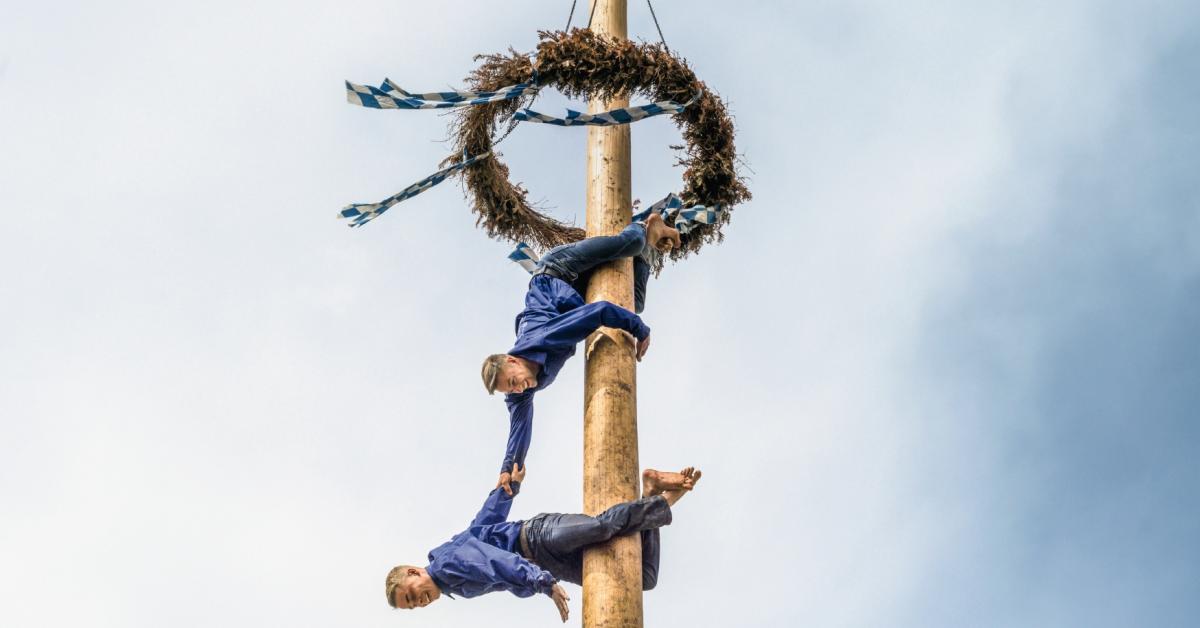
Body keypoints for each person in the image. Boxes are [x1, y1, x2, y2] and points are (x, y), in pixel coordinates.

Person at [481, 214, 681, 495]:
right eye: (510, 391)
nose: (518, 389)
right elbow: (519, 428)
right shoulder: (520, 391)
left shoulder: (544, 338)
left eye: (513, 382)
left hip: (560, 269)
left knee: (630, 243)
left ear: (512, 360)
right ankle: (652, 243)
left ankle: (647, 227)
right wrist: (507, 470)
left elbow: (598, 312)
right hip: (573, 297)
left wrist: (640, 330)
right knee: (632, 301)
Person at [384, 464, 701, 622]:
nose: (420, 602)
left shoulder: (448, 565)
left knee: (602, 526)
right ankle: (653, 494)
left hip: (538, 537)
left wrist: (543, 583)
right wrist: (505, 493)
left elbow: (500, 563)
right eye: (413, 606)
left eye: (412, 596)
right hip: (551, 563)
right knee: (641, 580)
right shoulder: (456, 583)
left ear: (414, 572)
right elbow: (481, 528)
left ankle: (655, 492)